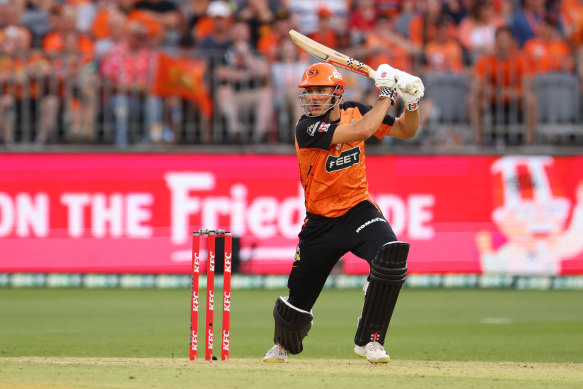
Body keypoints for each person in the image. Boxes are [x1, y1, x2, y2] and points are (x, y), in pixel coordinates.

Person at [261, 61, 424, 363]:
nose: (312, 97)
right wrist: (387, 92)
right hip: (320, 223)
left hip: (358, 209)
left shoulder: (357, 109)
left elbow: (406, 129)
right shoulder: (306, 127)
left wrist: (411, 101)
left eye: (320, 90)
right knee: (298, 301)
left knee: (390, 254)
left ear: (337, 91)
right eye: (308, 91)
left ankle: (371, 341)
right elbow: (361, 130)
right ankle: (282, 346)